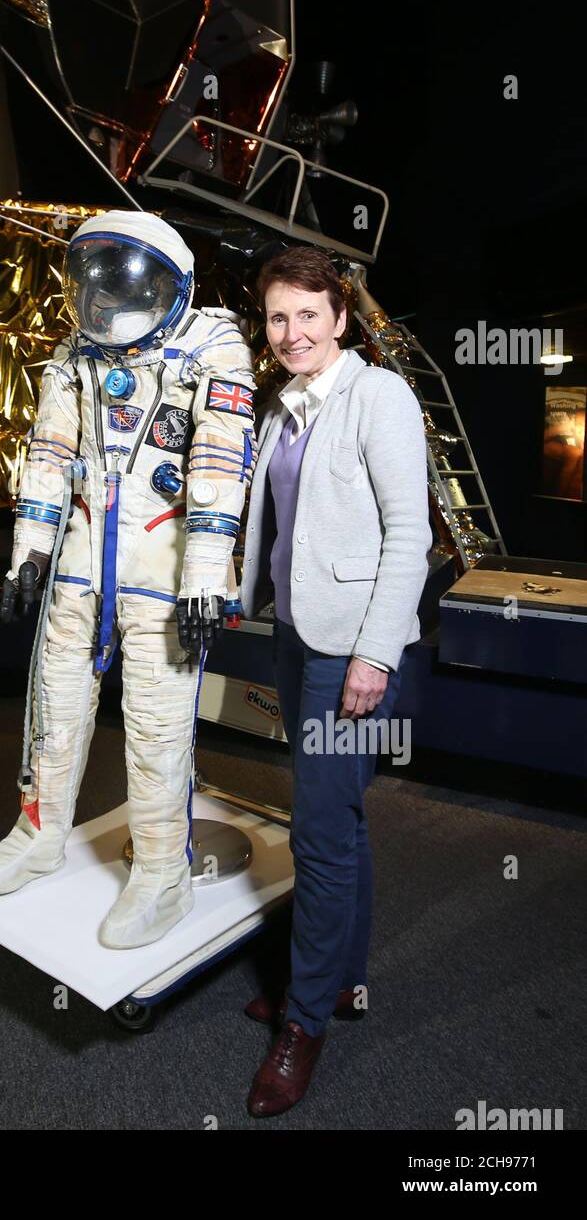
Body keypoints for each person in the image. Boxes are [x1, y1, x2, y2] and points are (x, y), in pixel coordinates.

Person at [0, 209, 258, 949]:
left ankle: (161, 873)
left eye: (126, 279)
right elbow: (47, 450)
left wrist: (203, 578)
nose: (107, 295)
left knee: (156, 726)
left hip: (161, 561)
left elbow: (220, 462)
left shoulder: (211, 344)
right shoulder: (74, 352)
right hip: (80, 551)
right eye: (95, 278)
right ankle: (39, 834)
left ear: (171, 285)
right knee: (54, 704)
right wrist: (29, 551)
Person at [237, 244, 432, 1117]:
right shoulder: (281, 408)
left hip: (349, 649)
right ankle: (344, 982)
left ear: (341, 319)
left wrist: (374, 654)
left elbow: (409, 537)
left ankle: (302, 1022)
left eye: (308, 314)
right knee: (339, 822)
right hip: (293, 634)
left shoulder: (376, 396)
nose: (291, 332)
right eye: (278, 316)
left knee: (316, 832)